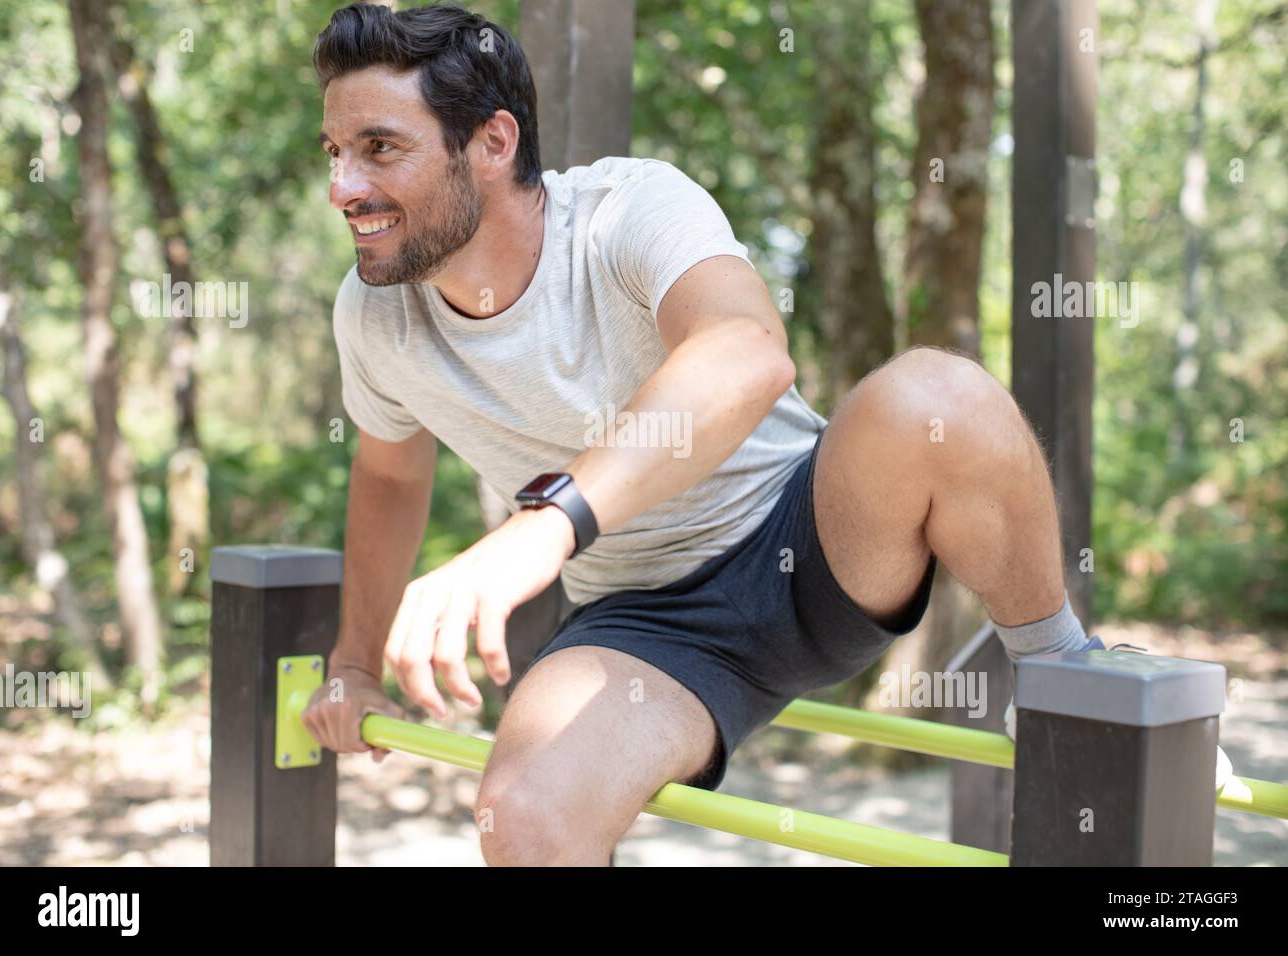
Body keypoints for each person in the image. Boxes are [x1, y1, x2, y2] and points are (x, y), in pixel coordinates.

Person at [301, 2, 1102, 866]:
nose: (344, 186)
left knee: (935, 393)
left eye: (380, 147)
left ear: (493, 143)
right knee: (524, 815)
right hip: (647, 622)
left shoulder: (628, 209)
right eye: (336, 154)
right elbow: (387, 477)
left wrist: (547, 522)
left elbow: (747, 354)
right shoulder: (374, 316)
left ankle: (1066, 674)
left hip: (819, 541)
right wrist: (353, 664)